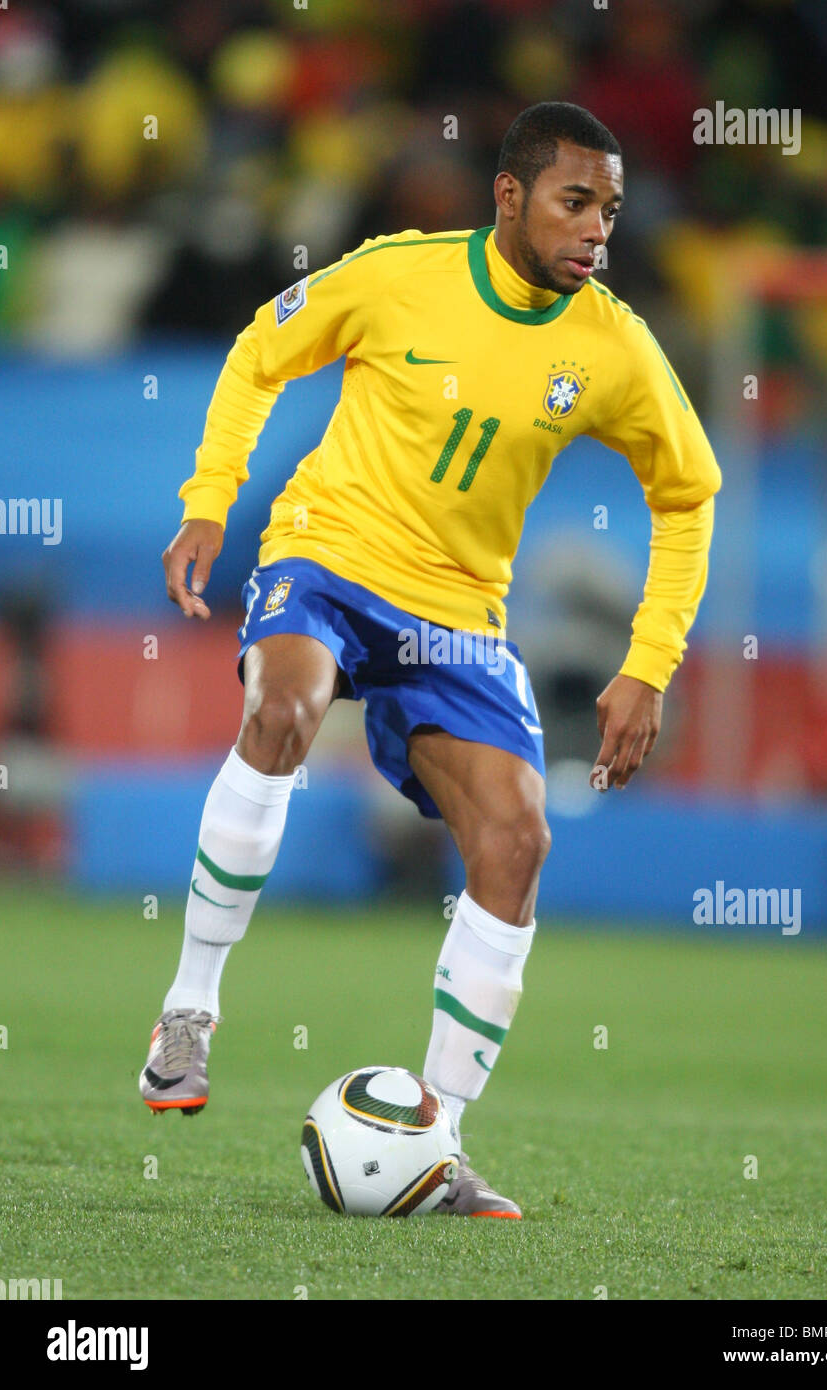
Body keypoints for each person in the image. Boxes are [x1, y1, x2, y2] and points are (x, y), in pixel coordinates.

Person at [140, 101, 721, 1218]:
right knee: (286, 708)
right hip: (327, 551)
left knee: (515, 837)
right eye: (573, 202)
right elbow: (262, 350)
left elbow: (687, 494)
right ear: (507, 197)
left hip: (457, 610)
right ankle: (188, 1012)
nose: (596, 229)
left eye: (608, 208)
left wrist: (647, 663)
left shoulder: (611, 344)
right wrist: (208, 502)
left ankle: (437, 1144)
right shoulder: (396, 273)